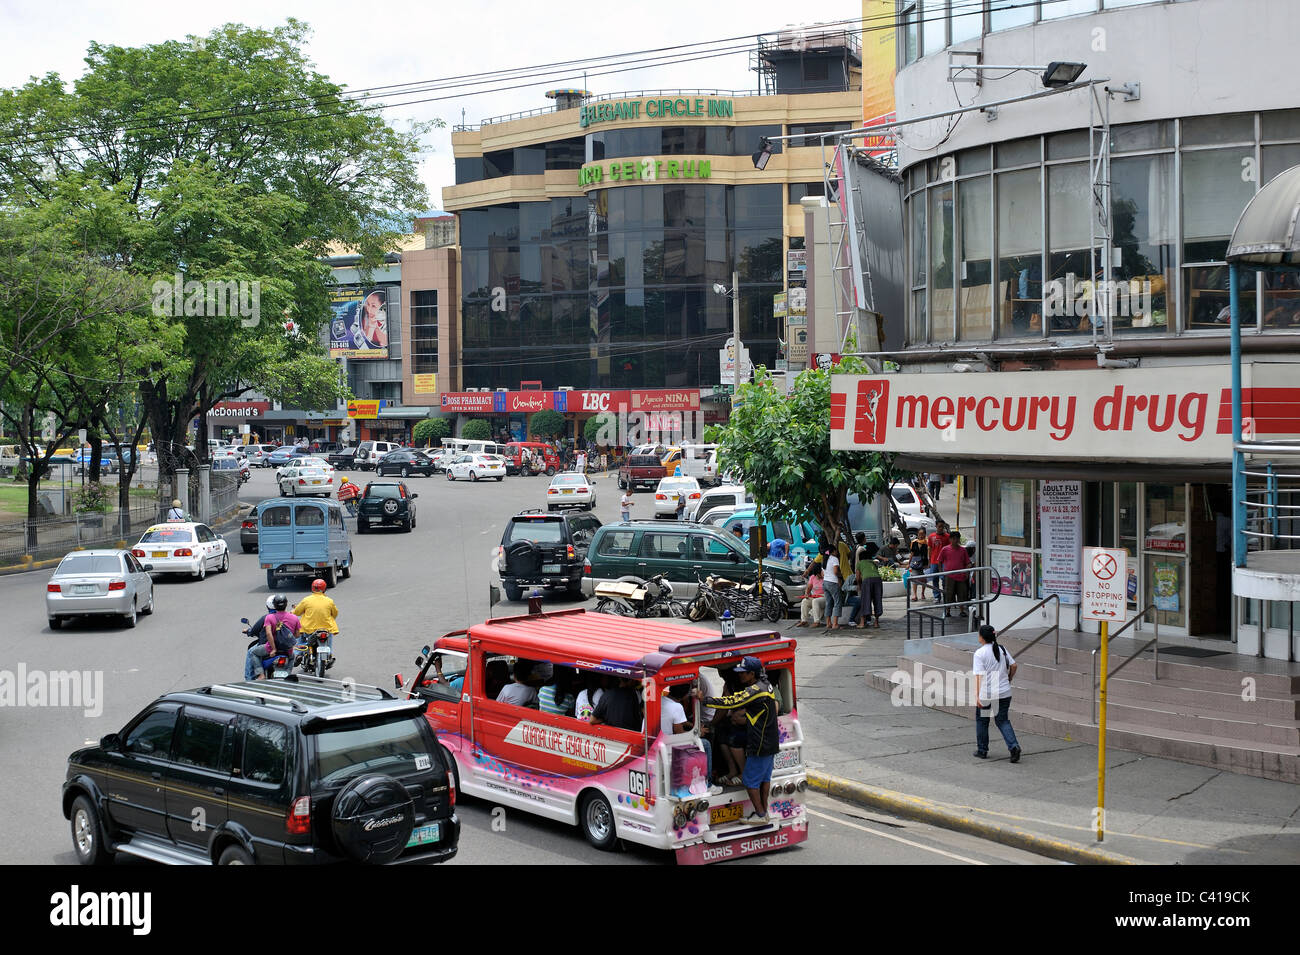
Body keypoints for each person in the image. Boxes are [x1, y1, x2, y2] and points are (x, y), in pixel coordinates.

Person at [696, 657, 779, 821]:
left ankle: (760, 814)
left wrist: (705, 700)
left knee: (749, 781)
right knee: (764, 779)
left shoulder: (755, 690)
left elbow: (732, 702)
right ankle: (764, 812)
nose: (740, 675)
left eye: (743, 673)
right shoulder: (766, 684)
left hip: (760, 743)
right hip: (771, 742)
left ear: (752, 674)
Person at [973, 624, 1020, 762]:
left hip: (987, 694)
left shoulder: (980, 653)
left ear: (982, 637)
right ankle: (1014, 746)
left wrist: (977, 695)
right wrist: (1009, 678)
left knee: (982, 721)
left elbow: (979, 676)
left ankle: (982, 750)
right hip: (1004, 692)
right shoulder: (1002, 649)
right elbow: (1014, 665)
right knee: (1002, 720)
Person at [245, 594, 300, 681]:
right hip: (287, 650)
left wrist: (274, 649)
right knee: (292, 657)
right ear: (286, 604)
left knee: (253, 653)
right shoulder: (294, 618)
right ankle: (288, 674)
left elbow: (268, 633)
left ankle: (260, 675)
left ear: (274, 605)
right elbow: (297, 635)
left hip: (270, 649)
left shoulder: (269, 617)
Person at [938, 530, 972, 617]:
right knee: (949, 594)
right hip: (949, 576)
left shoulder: (963, 550)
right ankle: (947, 611)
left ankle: (962, 611)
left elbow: (968, 562)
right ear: (950, 539)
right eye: (953, 538)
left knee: (961, 594)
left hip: (961, 576)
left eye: (957, 538)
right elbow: (940, 561)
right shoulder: (945, 549)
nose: (955, 540)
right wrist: (941, 572)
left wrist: (967, 572)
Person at [858, 540, 884, 629]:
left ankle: (862, 623)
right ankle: (876, 623)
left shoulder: (860, 563)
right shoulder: (873, 563)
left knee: (865, 600)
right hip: (878, 580)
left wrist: (860, 586)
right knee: (877, 600)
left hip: (867, 580)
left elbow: (858, 578)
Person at [926, 520, 951, 602]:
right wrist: (929, 560)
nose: (941, 528)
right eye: (939, 526)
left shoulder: (947, 536)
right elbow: (930, 549)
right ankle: (937, 596)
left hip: (944, 561)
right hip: (934, 561)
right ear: (936, 526)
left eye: (942, 527)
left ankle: (945, 595)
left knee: (944, 579)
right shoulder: (931, 536)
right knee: (934, 579)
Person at [795, 562, 824, 627]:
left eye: (819, 574)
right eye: (816, 574)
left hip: (824, 597)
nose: (818, 576)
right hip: (815, 597)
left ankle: (817, 622)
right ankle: (804, 621)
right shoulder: (813, 577)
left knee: (815, 601)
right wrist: (806, 594)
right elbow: (808, 588)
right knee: (804, 601)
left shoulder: (826, 577)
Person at [822, 546, 843, 631]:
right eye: (836, 551)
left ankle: (828, 623)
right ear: (833, 551)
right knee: (837, 602)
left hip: (825, 582)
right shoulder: (834, 559)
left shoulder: (824, 559)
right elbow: (835, 571)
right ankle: (835, 624)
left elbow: (822, 573)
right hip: (833, 582)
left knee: (828, 603)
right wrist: (840, 576)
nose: (837, 552)